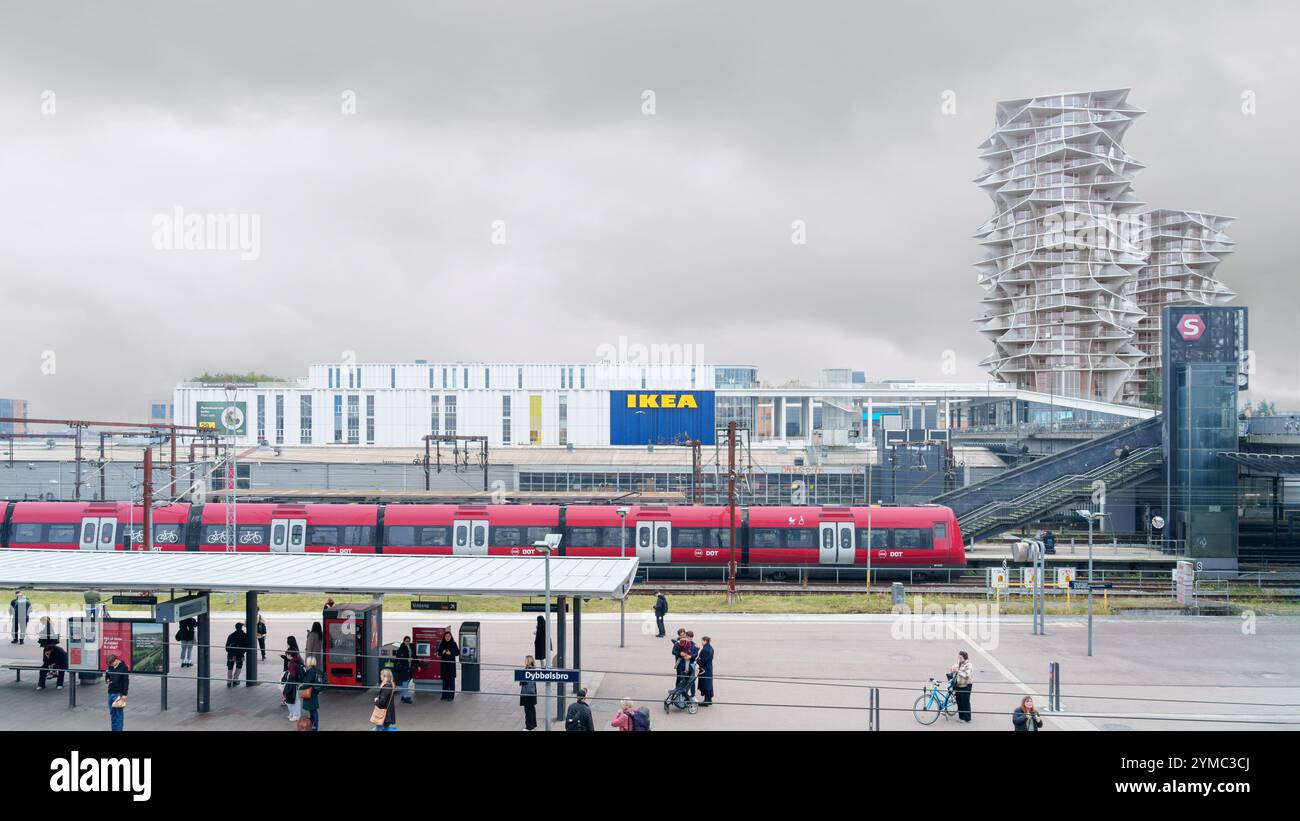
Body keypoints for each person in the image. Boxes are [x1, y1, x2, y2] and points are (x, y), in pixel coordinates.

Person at [281, 636, 304, 723]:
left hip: (292, 682)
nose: (286, 656)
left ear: (291, 655)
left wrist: (289, 673)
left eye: (287, 655)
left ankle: (296, 715)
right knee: (291, 697)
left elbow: (293, 674)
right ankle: (293, 713)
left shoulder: (293, 663)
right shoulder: (295, 660)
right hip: (293, 682)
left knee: (294, 698)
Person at [299, 656, 325, 731]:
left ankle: (315, 726)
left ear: (309, 662)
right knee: (312, 710)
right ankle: (313, 724)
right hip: (313, 692)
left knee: (313, 710)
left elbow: (308, 682)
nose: (306, 662)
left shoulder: (311, 671)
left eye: (307, 661)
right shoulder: (312, 670)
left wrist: (301, 687)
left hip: (311, 692)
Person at [105, 654, 129, 732]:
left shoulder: (123, 667)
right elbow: (107, 676)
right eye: (110, 665)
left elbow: (126, 681)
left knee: (119, 714)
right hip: (110, 692)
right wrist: (107, 680)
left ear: (116, 660)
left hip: (119, 693)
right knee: (112, 714)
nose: (111, 666)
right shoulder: (110, 666)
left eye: (112, 664)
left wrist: (125, 694)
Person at [950, 650, 974, 724]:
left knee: (965, 702)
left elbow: (967, 675)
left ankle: (967, 718)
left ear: (964, 657)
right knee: (959, 701)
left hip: (966, 685)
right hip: (958, 685)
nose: (959, 659)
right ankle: (961, 717)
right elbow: (954, 668)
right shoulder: (959, 663)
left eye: (960, 657)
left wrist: (958, 671)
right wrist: (952, 669)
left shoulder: (969, 665)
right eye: (958, 657)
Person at [437, 630, 459, 701]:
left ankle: (451, 696)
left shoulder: (453, 643)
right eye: (446, 636)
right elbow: (439, 653)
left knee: (451, 682)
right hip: (444, 665)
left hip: (451, 665)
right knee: (445, 681)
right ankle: (444, 695)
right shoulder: (442, 643)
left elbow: (457, 653)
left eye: (449, 636)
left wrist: (451, 653)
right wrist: (442, 652)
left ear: (451, 637)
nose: (447, 637)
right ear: (444, 637)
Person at [224, 622, 248, 687]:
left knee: (230, 667)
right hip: (239, 654)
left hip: (231, 654)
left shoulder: (231, 635)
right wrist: (242, 652)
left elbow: (227, 647)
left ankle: (229, 682)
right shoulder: (244, 635)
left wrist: (231, 651)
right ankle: (235, 680)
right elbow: (246, 646)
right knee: (239, 667)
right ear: (241, 627)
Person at [519, 655, 539, 731]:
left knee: (528, 711)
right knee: (532, 709)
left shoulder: (527, 670)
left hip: (527, 694)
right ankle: (533, 724)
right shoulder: (533, 669)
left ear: (527, 661)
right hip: (533, 693)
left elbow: (522, 682)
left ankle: (529, 726)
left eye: (525, 659)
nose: (524, 661)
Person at [394, 636, 415, 704]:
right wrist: (406, 659)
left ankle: (403, 696)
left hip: (409, 666)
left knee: (407, 681)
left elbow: (414, 655)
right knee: (405, 681)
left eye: (408, 641)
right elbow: (398, 656)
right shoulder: (401, 648)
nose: (407, 642)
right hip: (404, 667)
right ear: (403, 641)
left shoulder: (411, 646)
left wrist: (418, 664)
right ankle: (405, 697)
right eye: (406, 641)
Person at [696, 636, 714, 706]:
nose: (701, 642)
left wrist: (697, 660)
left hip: (704, 669)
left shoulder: (706, 650)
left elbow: (703, 660)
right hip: (708, 668)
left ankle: (706, 700)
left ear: (705, 641)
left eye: (702, 641)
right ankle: (709, 699)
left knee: (705, 684)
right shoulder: (710, 648)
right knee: (708, 684)